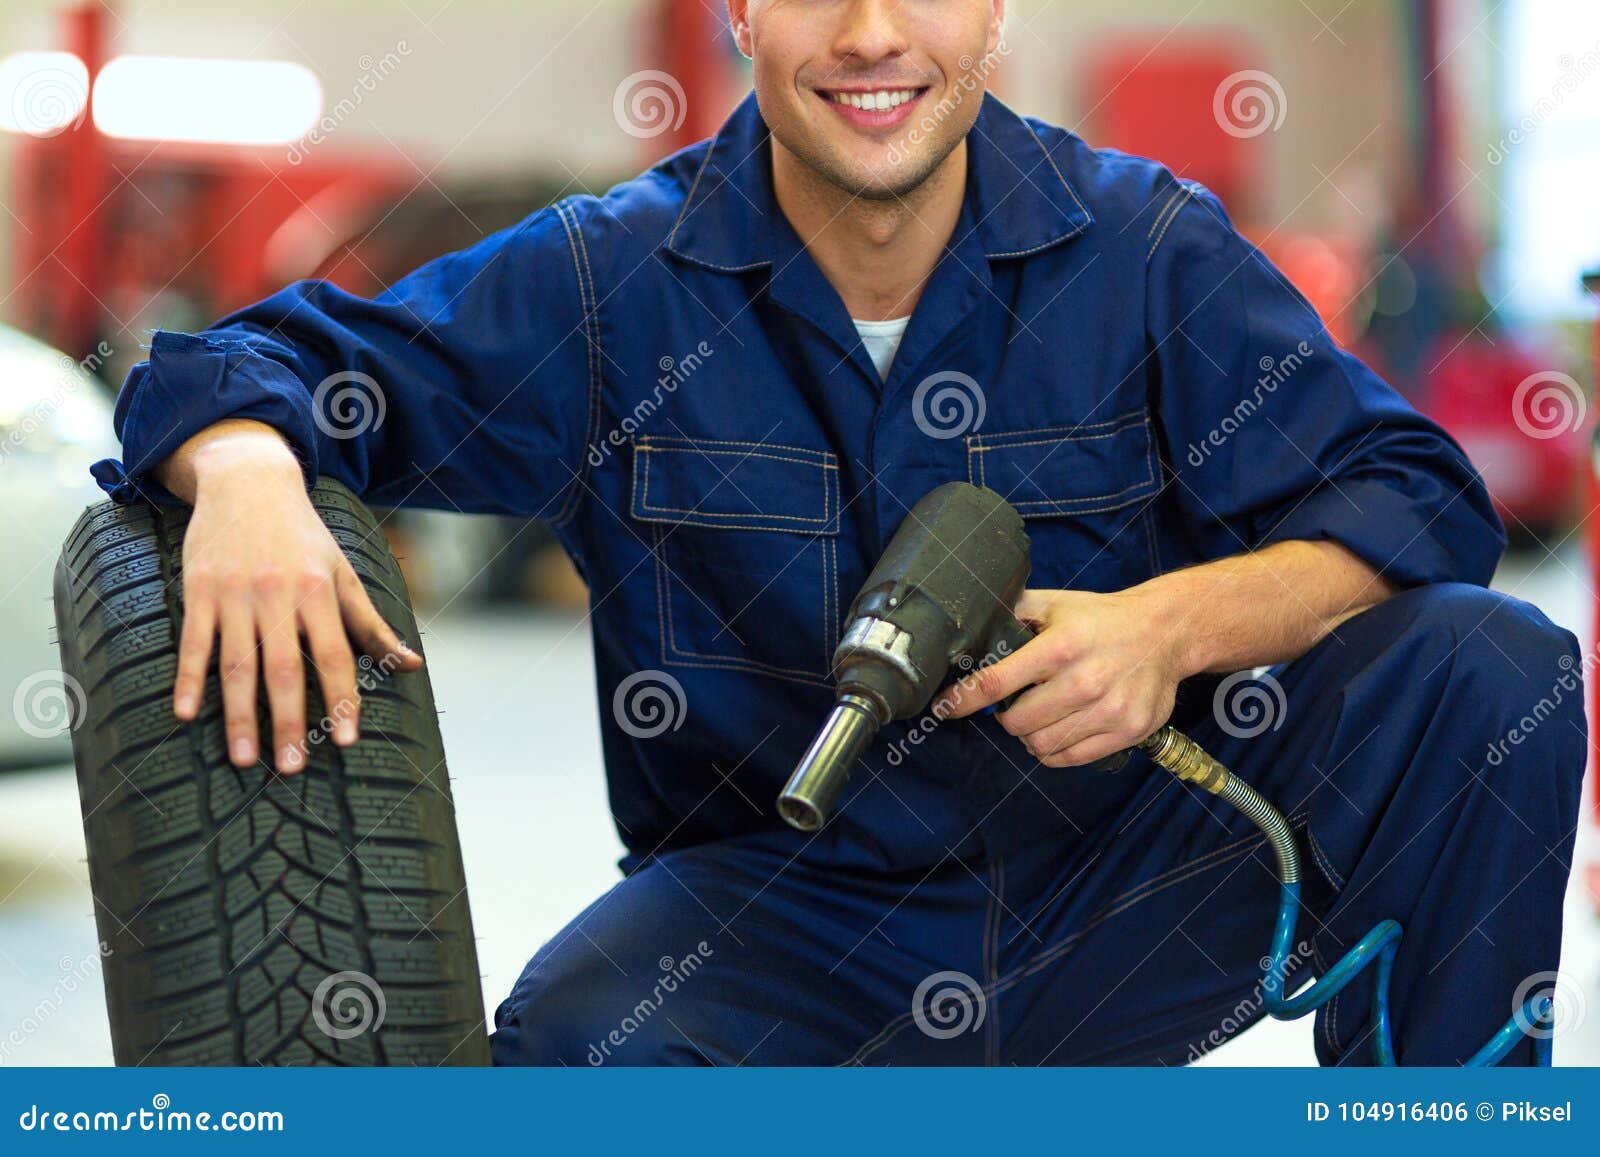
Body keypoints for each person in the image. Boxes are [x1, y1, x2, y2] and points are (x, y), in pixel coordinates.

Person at [94, 0, 1585, 1065]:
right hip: (781, 923)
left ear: (994, 14)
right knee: (566, 1057)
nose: (873, 33)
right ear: (742, 13)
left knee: (1486, 667)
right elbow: (235, 365)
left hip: (1124, 887)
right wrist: (243, 475)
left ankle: (1429, 1109)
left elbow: (1415, 494)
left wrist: (1166, 629)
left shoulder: (1143, 250)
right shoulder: (616, 288)